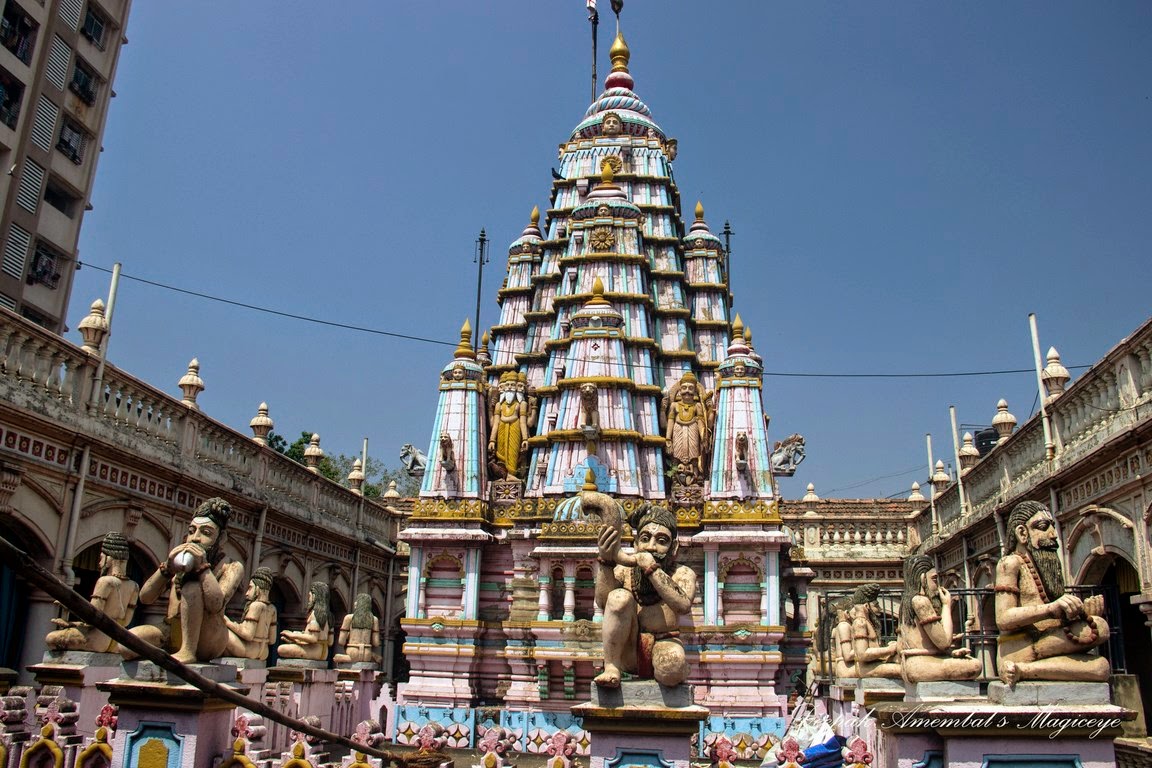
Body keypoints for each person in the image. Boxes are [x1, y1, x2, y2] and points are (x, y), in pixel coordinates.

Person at [995, 500, 1109, 686]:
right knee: (1100, 627)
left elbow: (1055, 620)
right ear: (1022, 533)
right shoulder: (1010, 563)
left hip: (1046, 644)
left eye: (1053, 527)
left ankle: (1024, 671)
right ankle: (1019, 666)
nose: (1054, 535)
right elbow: (1003, 618)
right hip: (1019, 647)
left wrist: (1083, 614)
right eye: (1043, 527)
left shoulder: (1045, 566)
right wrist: (1052, 608)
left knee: (1101, 667)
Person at [126, 498, 244, 663]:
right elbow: (146, 597)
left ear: (221, 538)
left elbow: (215, 605)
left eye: (206, 533)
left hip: (208, 638)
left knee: (192, 587)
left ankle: (188, 651)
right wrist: (167, 568)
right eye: (191, 531)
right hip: (171, 630)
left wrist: (203, 568)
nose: (195, 538)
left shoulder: (231, 566)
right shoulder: (181, 566)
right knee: (126, 645)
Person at [594, 503, 696, 688]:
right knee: (619, 597)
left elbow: (682, 606)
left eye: (661, 541)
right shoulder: (624, 570)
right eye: (645, 538)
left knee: (672, 668)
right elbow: (603, 602)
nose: (651, 547)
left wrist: (652, 569)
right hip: (627, 648)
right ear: (635, 545)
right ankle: (611, 667)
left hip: (664, 643)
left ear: (674, 548)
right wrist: (605, 561)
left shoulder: (682, 573)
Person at [46, 532, 139, 653]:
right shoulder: (134, 586)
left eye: (101, 558)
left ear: (109, 558)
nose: (100, 564)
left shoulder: (105, 582)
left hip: (97, 640)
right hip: (117, 643)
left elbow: (92, 617)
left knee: (51, 638)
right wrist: (73, 624)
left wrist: (70, 608)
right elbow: (126, 621)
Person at [897, 555, 980, 683]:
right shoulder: (920, 601)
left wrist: (952, 654)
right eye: (934, 579)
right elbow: (944, 642)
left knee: (965, 660)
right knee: (975, 665)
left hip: (912, 664)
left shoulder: (906, 603)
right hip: (922, 666)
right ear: (923, 578)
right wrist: (947, 605)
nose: (938, 585)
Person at [848, 583, 901, 679]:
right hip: (866, 668)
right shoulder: (860, 623)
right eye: (876, 606)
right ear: (866, 606)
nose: (880, 609)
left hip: (875, 664)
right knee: (904, 669)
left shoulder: (867, 622)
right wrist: (890, 649)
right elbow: (862, 654)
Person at [224, 567, 278, 660]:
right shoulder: (273, 609)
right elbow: (272, 640)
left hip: (249, 650)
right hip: (264, 652)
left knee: (223, 632)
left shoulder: (255, 606)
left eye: (250, 588)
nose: (246, 593)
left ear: (257, 589)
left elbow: (248, 634)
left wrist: (228, 622)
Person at [665, 372, 710, 483]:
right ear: (679, 390)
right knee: (676, 456)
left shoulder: (697, 406)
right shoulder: (674, 405)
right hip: (678, 430)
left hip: (693, 431)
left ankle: (695, 478)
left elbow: (700, 422)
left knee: (694, 456)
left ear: (695, 390)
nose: (687, 391)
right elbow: (670, 422)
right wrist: (668, 439)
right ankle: (676, 479)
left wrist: (703, 436)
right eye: (684, 388)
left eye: (691, 388)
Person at [277, 581, 333, 661]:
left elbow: (313, 639)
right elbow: (330, 642)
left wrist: (292, 635)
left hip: (314, 650)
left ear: (314, 596)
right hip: (324, 653)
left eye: (309, 596)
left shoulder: (316, 614)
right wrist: (296, 639)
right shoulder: (329, 616)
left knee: (281, 649)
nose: (309, 599)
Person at [489, 371, 529, 477]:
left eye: (512, 385)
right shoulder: (499, 405)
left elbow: (523, 423)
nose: (510, 387)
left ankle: (512, 475)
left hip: (515, 428)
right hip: (501, 429)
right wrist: (492, 441)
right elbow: (496, 424)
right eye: (507, 385)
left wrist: (525, 439)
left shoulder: (521, 404)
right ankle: (503, 475)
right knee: (500, 453)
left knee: (513, 453)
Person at [333, 593, 381, 665]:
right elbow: (376, 643)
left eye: (357, 601)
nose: (355, 603)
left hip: (352, 651)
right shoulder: (374, 619)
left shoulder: (349, 618)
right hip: (367, 654)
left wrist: (348, 635)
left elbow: (341, 642)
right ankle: (373, 656)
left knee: (336, 658)